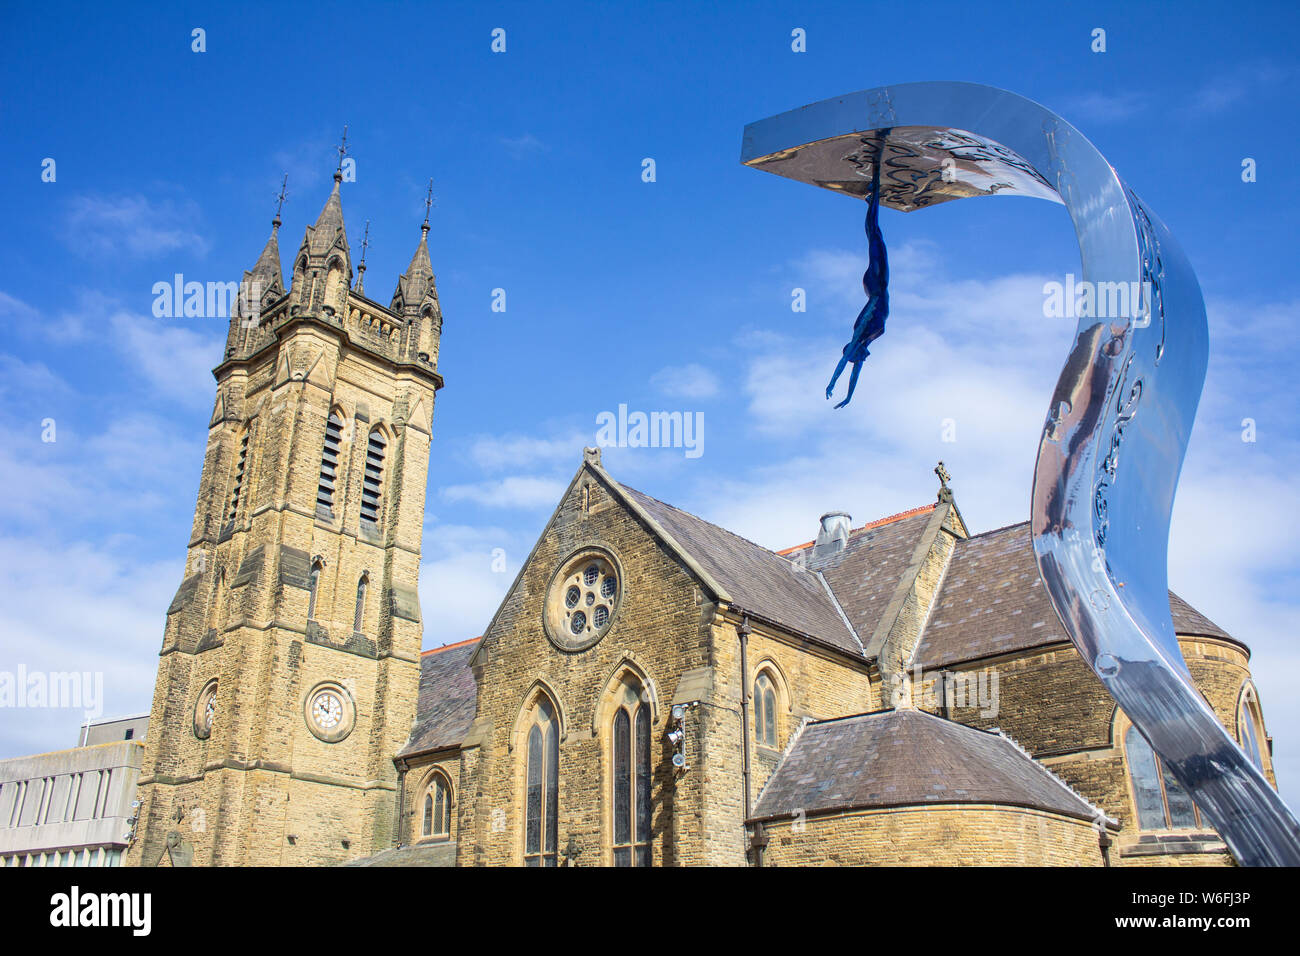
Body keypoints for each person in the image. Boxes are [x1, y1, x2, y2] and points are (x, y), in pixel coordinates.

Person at [826, 143, 890, 409]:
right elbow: (855, 371)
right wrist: (849, 396)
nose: (861, 359)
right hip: (881, 285)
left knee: (874, 234)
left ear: (852, 349)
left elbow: (845, 362)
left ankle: (872, 194)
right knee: (876, 236)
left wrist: (831, 383)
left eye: (855, 356)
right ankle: (872, 197)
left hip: (876, 286)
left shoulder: (860, 334)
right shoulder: (866, 342)